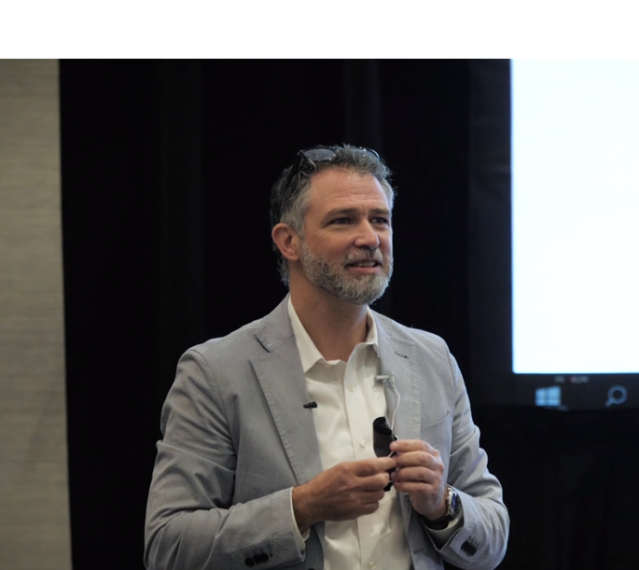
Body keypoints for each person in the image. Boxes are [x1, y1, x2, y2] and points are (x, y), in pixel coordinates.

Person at [144, 145, 509, 570]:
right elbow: (168, 546)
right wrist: (302, 507)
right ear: (289, 241)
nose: (370, 238)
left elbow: (493, 536)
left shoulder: (432, 359)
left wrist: (441, 503)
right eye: (343, 220)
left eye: (380, 219)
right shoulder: (216, 372)